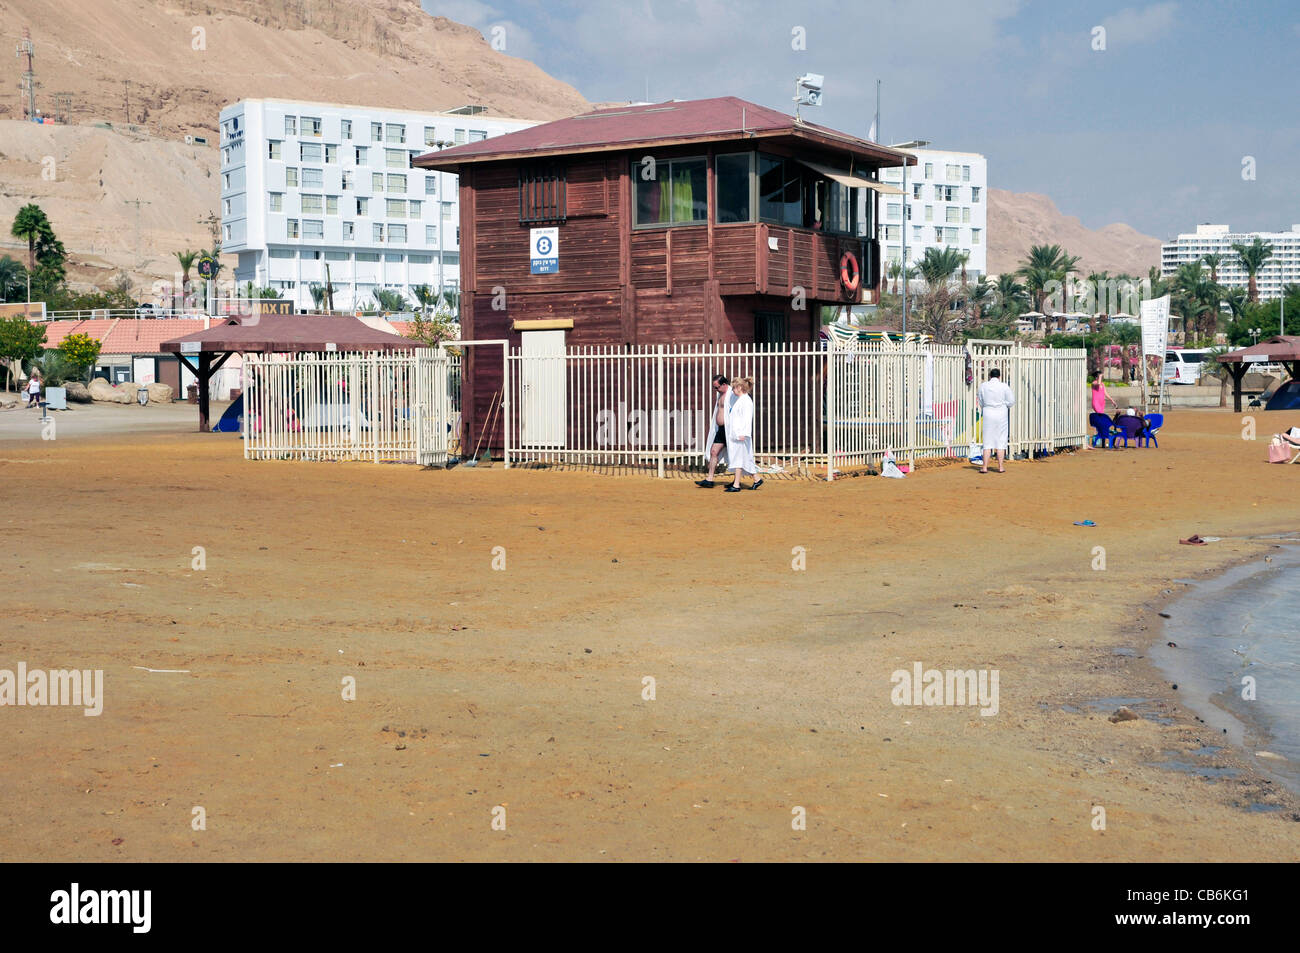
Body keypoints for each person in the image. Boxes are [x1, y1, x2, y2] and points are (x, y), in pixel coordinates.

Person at [725, 376, 762, 492]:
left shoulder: (746, 401)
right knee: (743, 458)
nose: (733, 391)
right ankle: (756, 478)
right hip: (737, 434)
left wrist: (744, 433)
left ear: (739, 387)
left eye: (734, 388)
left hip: (741, 435)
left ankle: (736, 484)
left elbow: (746, 419)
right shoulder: (741, 400)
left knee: (739, 459)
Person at [697, 374, 733, 488]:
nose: (716, 390)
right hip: (721, 430)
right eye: (714, 388)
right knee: (713, 452)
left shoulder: (733, 394)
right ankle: (709, 479)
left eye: (717, 387)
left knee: (737, 454)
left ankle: (755, 478)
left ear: (724, 384)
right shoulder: (721, 395)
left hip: (731, 430)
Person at [977, 368, 1015, 473]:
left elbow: (980, 400)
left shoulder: (983, 386)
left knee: (987, 441)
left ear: (990, 376)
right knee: (1001, 440)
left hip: (988, 412)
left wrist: (986, 406)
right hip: (1001, 413)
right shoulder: (1004, 386)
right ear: (999, 376)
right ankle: (1001, 467)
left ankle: (984, 467)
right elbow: (1011, 401)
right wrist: (1003, 405)